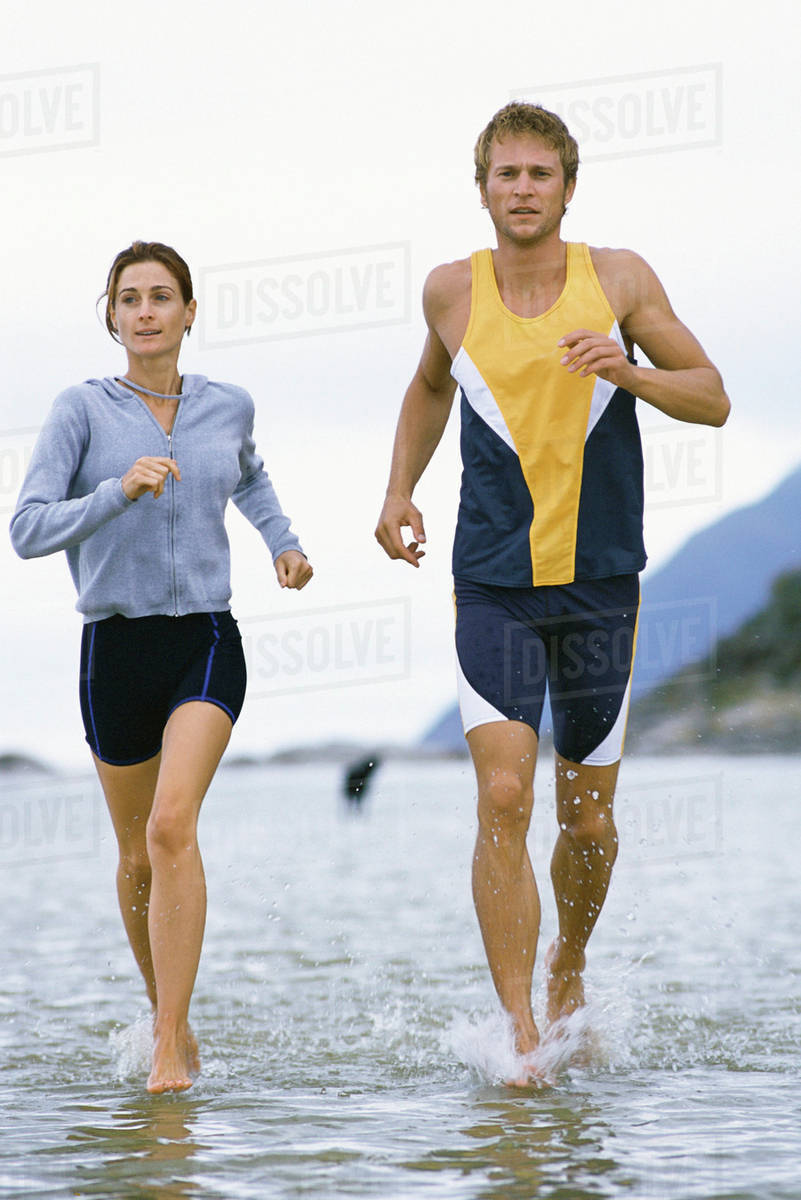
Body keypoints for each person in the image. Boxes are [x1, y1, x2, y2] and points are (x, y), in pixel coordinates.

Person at [375, 102, 729, 1083]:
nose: (522, 189)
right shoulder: (450, 291)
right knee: (502, 793)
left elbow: (713, 393)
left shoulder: (617, 279)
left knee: (587, 821)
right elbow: (432, 387)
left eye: (540, 174)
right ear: (481, 187)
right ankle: (520, 1029)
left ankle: (570, 966)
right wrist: (398, 488)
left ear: (569, 186)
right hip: (492, 582)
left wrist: (628, 369)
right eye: (506, 174)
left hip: (602, 583)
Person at [10, 241, 312, 1093]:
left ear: (188, 312)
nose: (145, 311)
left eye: (161, 297)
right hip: (114, 649)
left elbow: (247, 476)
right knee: (137, 856)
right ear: (110, 316)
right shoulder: (81, 411)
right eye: (129, 298)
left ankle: (171, 1045)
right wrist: (116, 491)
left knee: (172, 825)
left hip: (205, 640)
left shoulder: (228, 405)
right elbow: (27, 528)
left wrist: (282, 544)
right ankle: (163, 1010)